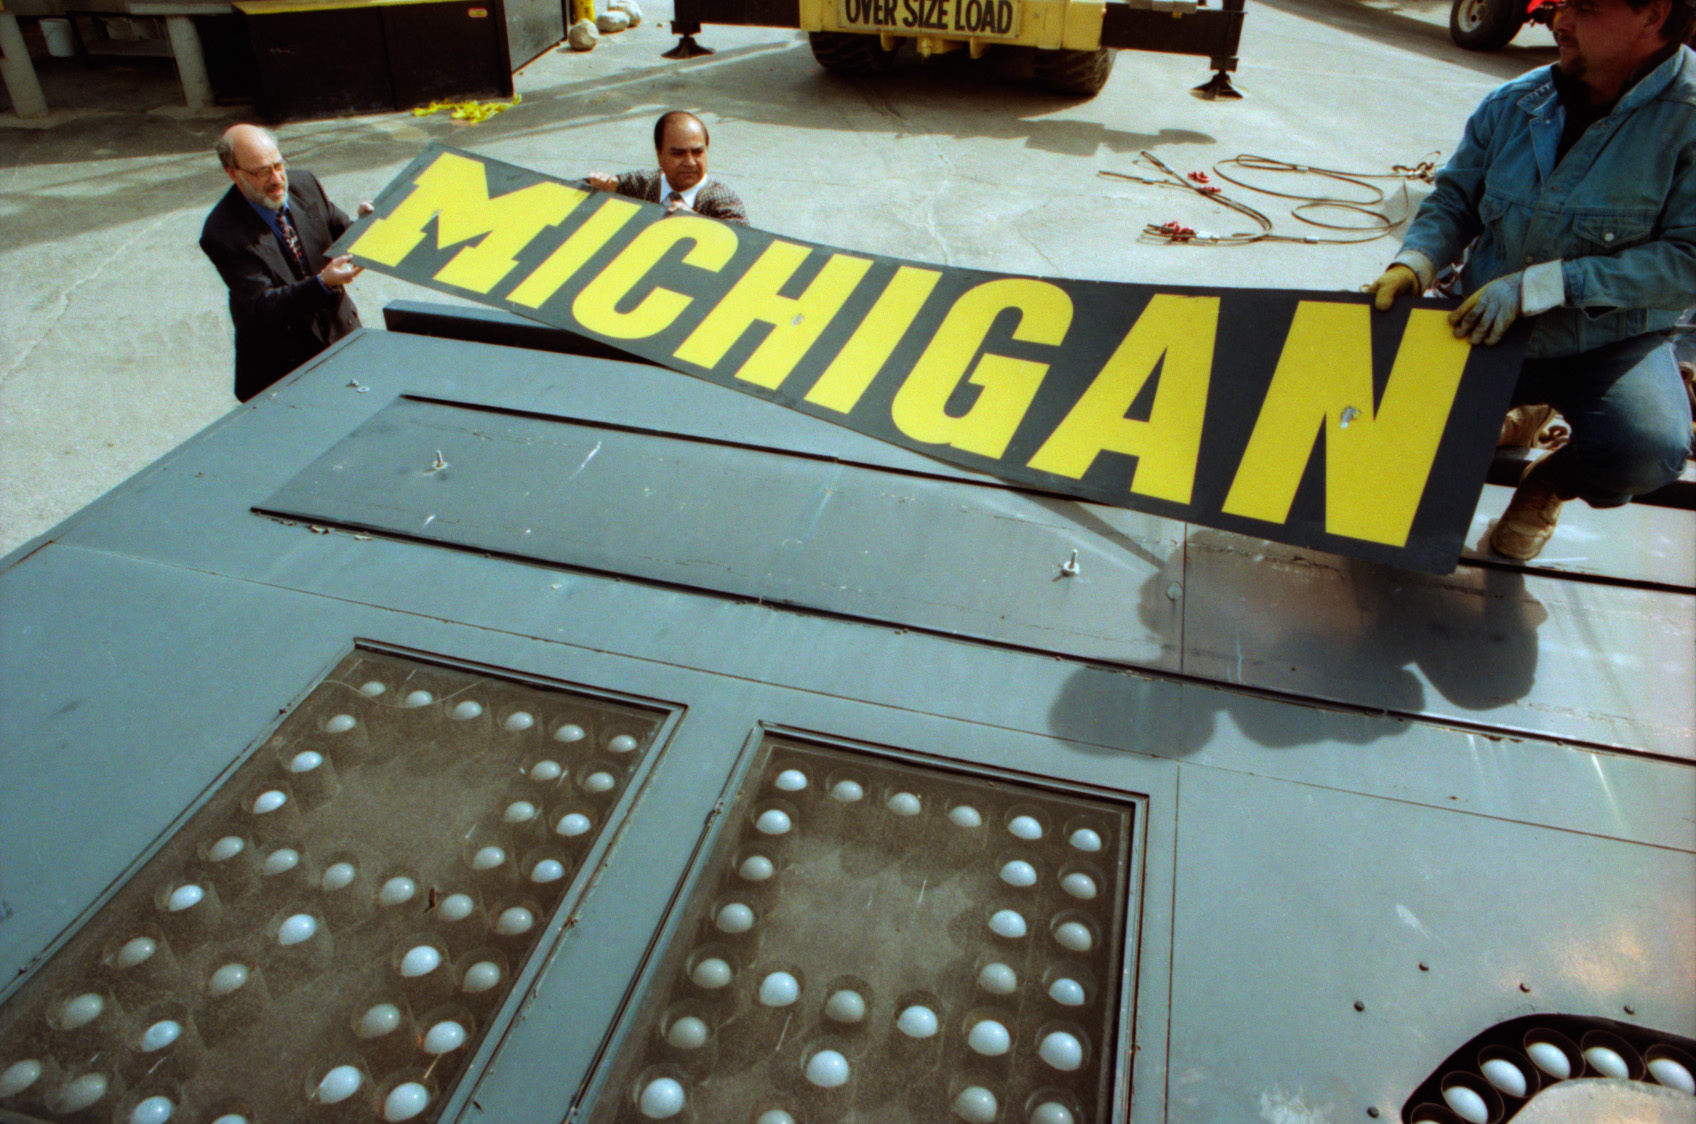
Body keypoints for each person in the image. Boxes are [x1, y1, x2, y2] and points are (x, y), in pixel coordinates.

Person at [1366, 0, 1695, 560]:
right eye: (1561, 4)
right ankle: (1519, 415)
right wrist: (1417, 261)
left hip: (1612, 341)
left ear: (1653, 14)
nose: (1558, 21)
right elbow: (1454, 198)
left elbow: (1686, 261)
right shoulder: (1518, 101)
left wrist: (1544, 286)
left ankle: (1552, 480)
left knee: (1646, 449)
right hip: (1485, 327)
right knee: (1375, 438)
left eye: (1584, 9)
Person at [200, 124, 373, 402]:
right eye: (261, 172)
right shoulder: (222, 233)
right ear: (233, 173)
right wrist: (323, 283)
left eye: (278, 165)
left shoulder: (305, 184)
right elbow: (265, 303)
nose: (277, 179)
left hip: (341, 339)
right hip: (284, 369)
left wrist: (368, 225)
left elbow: (340, 231)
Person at [584, 111, 748, 225]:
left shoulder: (723, 200)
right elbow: (574, 189)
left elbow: (746, 246)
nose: (690, 162)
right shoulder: (643, 183)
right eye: (678, 154)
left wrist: (699, 225)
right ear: (659, 154)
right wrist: (598, 190)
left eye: (697, 152)